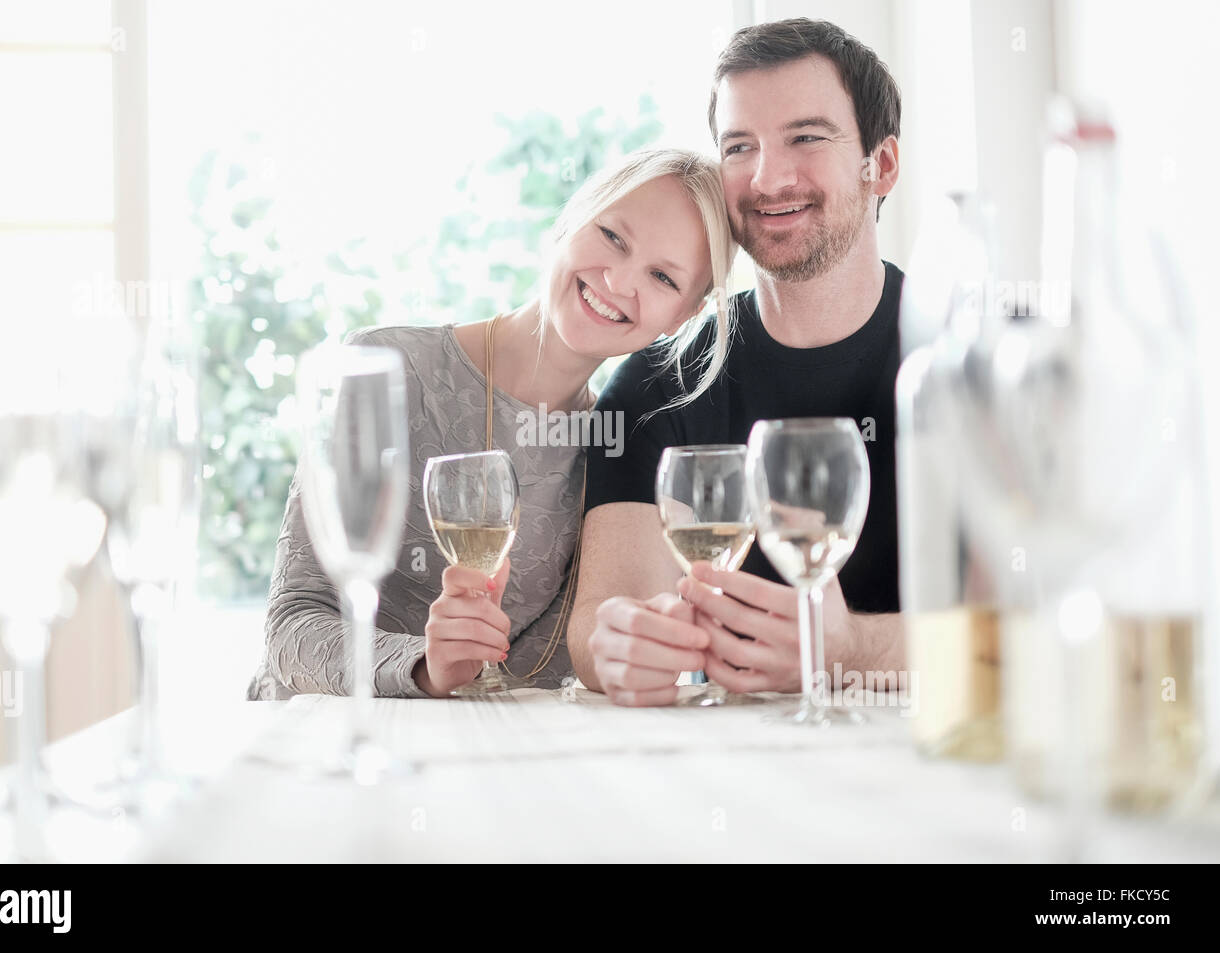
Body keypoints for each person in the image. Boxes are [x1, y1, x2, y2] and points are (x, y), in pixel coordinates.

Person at [247, 148, 736, 700]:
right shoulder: (384, 368)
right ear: (572, 217)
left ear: (687, 315)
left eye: (663, 277)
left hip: (488, 759)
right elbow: (290, 627)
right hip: (328, 747)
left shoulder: (619, 451)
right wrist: (426, 666)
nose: (619, 281)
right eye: (613, 237)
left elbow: (561, 674)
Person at [570, 18, 907, 706]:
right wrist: (621, 651)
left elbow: (1048, 625)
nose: (768, 177)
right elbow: (601, 621)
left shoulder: (978, 364)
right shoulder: (656, 387)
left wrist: (848, 650)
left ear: (883, 165)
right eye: (738, 146)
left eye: (806, 138)